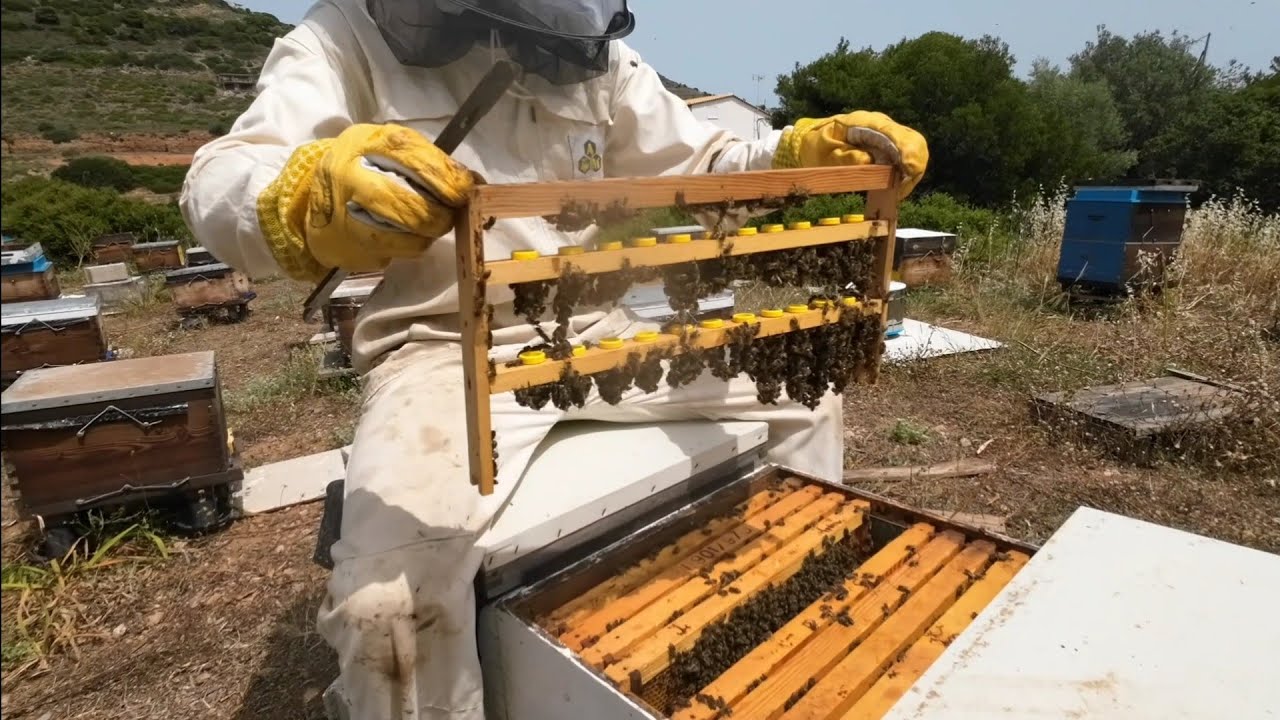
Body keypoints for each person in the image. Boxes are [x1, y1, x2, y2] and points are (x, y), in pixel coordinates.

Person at [180, 1, 928, 718]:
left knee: (805, 396)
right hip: (445, 347)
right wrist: (297, 196)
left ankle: (796, 599)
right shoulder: (343, 35)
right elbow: (223, 176)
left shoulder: (591, 48)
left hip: (599, 329)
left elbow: (708, 162)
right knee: (389, 607)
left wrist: (797, 151)